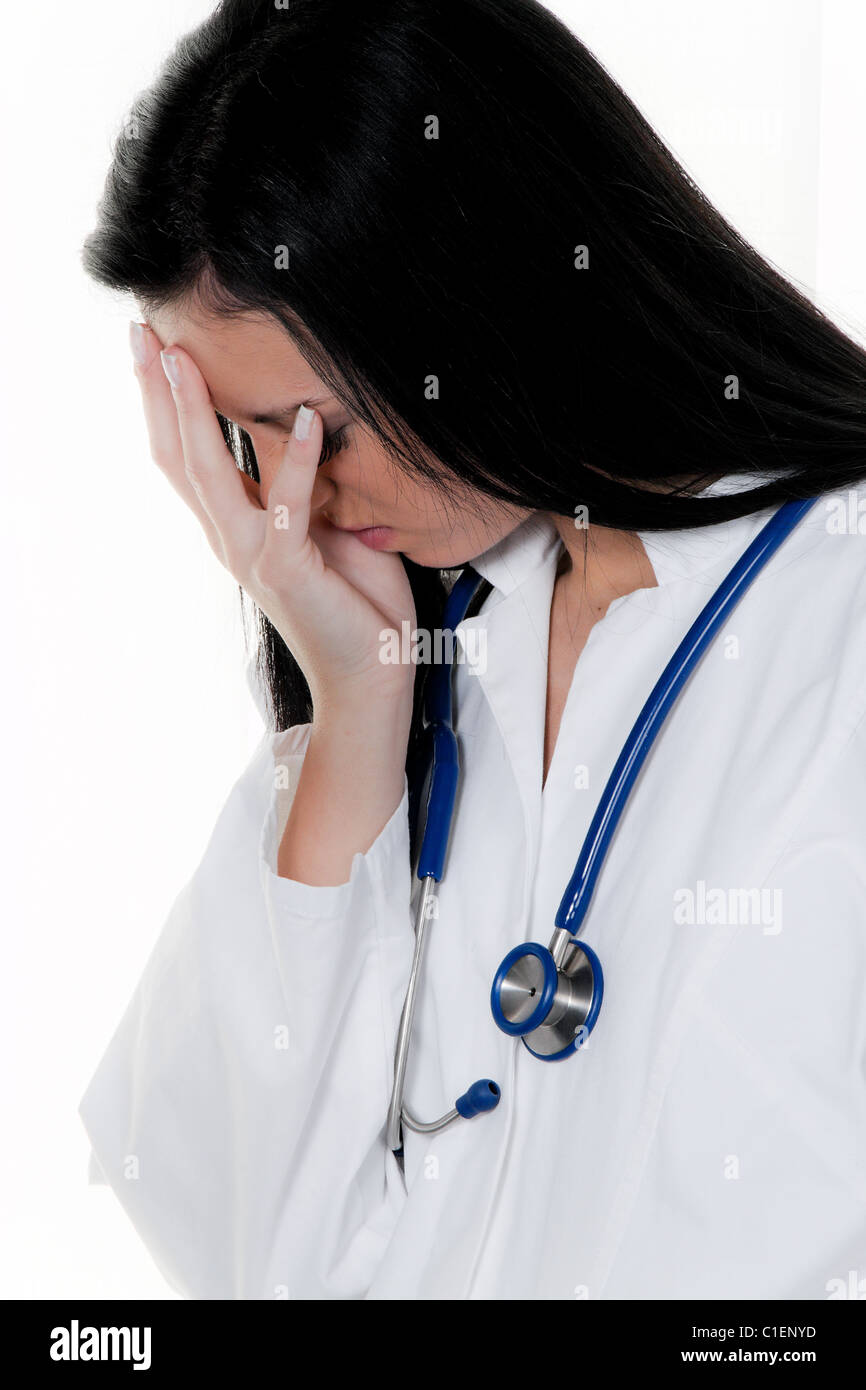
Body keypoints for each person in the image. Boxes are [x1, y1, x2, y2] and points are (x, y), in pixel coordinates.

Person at [77, 0, 866, 1299]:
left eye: (308, 427)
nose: (289, 502)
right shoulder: (441, 655)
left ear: (478, 294)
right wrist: (352, 709)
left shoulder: (829, 616)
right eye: (241, 442)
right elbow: (250, 1261)